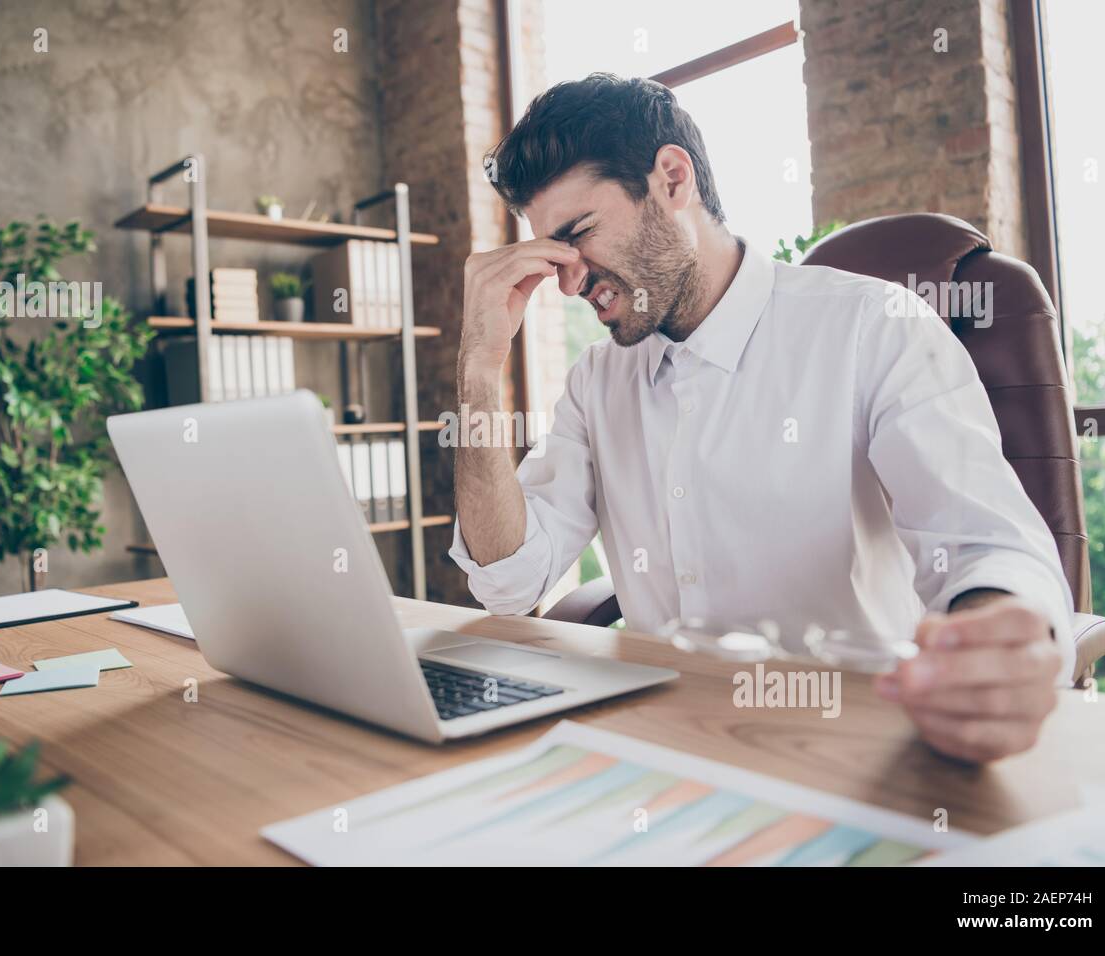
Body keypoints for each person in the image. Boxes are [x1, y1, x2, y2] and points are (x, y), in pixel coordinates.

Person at [449, 73, 1073, 763]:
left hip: (857, 747)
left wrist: (993, 643)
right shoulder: (597, 381)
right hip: (668, 751)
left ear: (672, 179)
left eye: (581, 235)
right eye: (553, 253)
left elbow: (986, 544)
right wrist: (478, 368)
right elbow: (508, 581)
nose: (569, 281)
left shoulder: (872, 327)